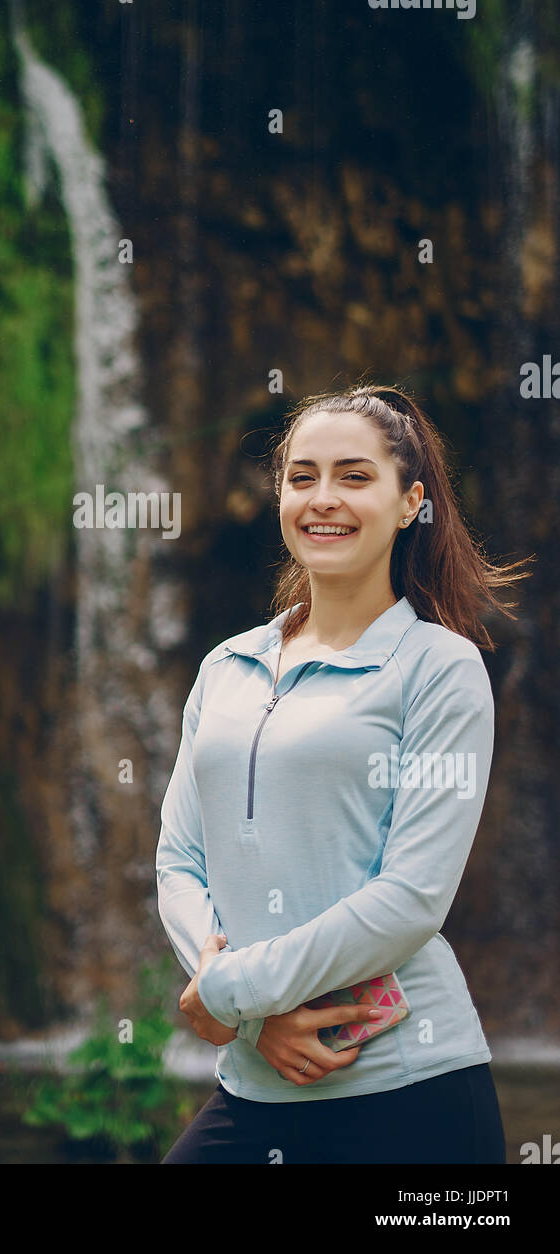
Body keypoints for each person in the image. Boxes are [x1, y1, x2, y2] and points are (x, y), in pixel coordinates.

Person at [156, 384, 530, 1164]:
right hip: (258, 1076)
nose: (323, 498)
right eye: (302, 477)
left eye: (355, 476)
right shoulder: (227, 666)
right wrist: (256, 1016)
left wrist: (230, 994)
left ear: (409, 503)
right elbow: (180, 860)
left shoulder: (440, 669)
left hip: (407, 1091)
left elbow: (411, 900)